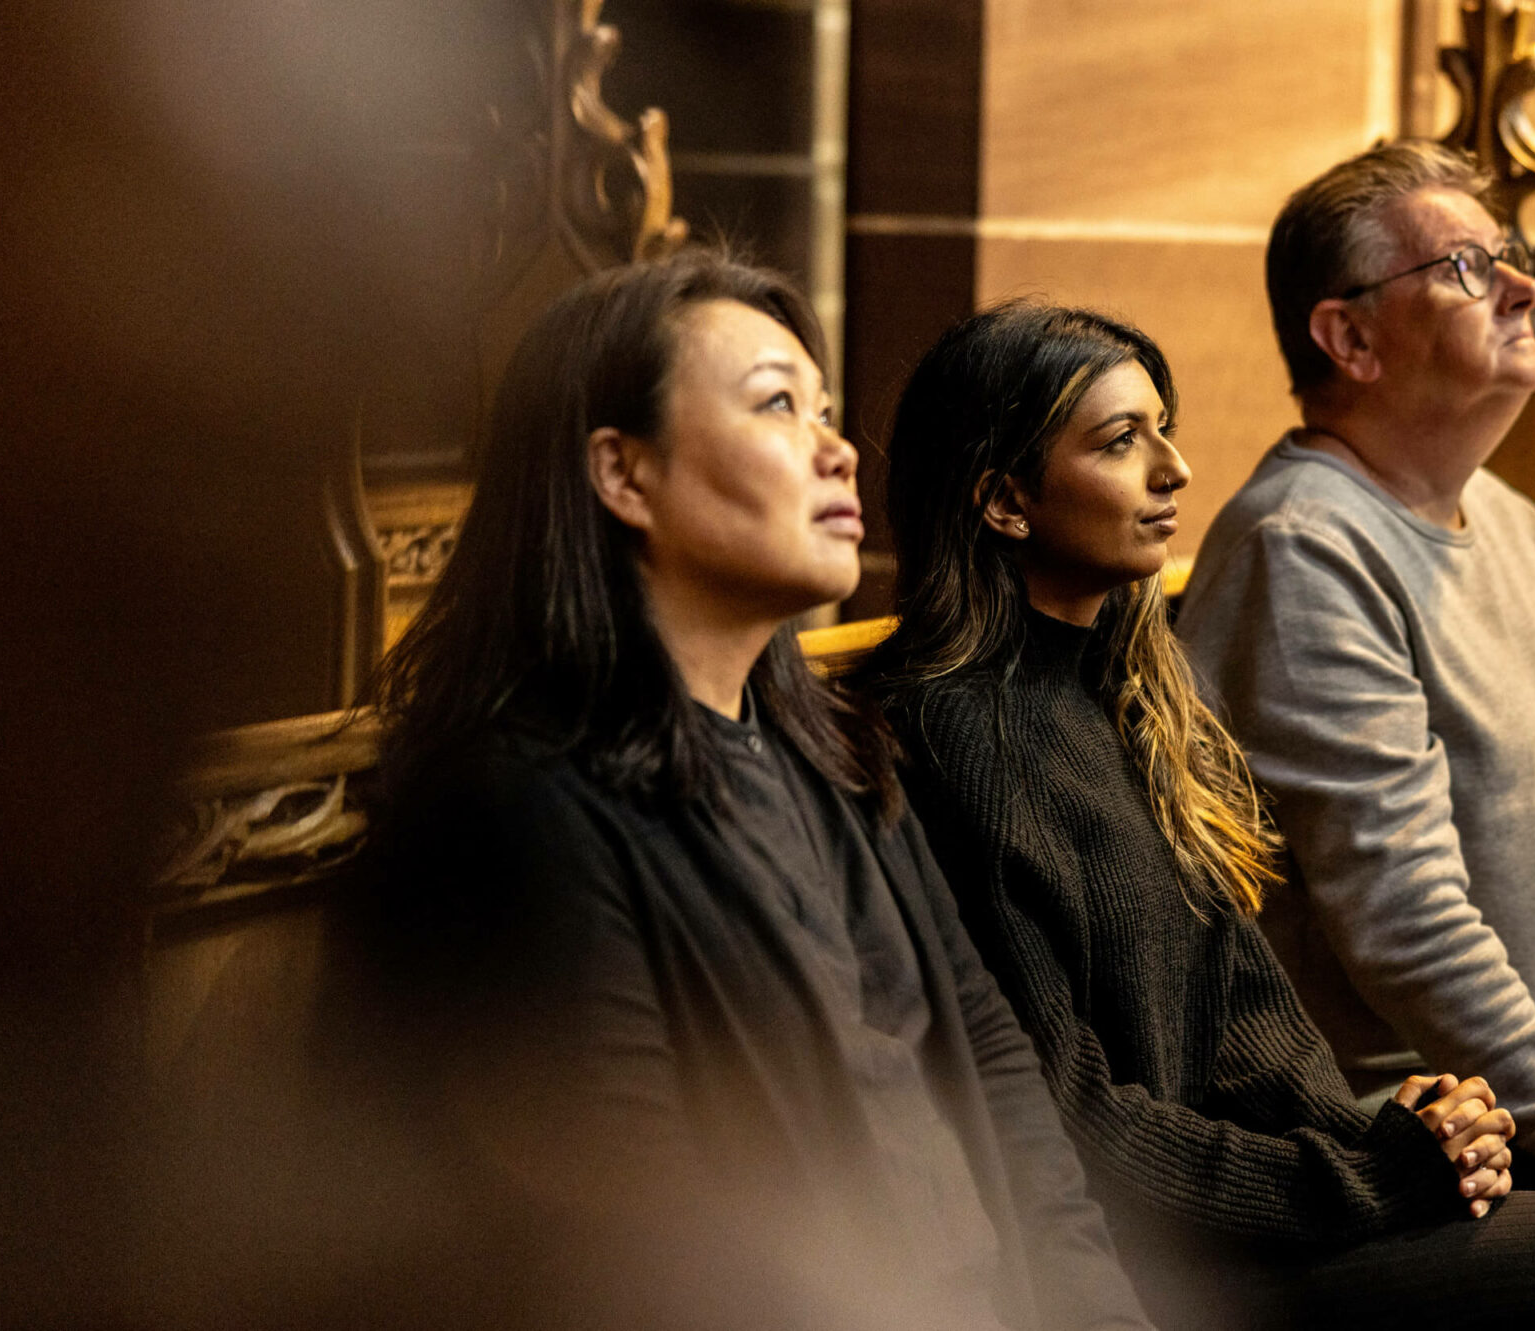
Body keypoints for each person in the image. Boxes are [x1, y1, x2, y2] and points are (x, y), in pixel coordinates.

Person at [350, 251, 1153, 1331]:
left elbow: (1001, 1075)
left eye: (824, 408)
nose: (835, 450)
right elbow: (634, 1237)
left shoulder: (828, 750)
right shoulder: (521, 803)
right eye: (778, 404)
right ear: (621, 474)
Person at [854, 298, 1535, 1330]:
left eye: (1164, 430)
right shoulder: (954, 735)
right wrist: (1368, 1183)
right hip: (1151, 1259)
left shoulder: (1129, 691)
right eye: (1118, 441)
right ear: (1004, 498)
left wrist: (1400, 1139)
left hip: (1259, 1204)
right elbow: (1073, 1121)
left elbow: (1242, 1022)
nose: (1174, 470)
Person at [1174, 141, 1535, 1263]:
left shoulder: (1512, 519)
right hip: (1477, 1155)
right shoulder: (1306, 549)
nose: (1525, 286)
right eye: (1469, 267)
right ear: (1350, 338)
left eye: (1509, 257)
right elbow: (1404, 923)